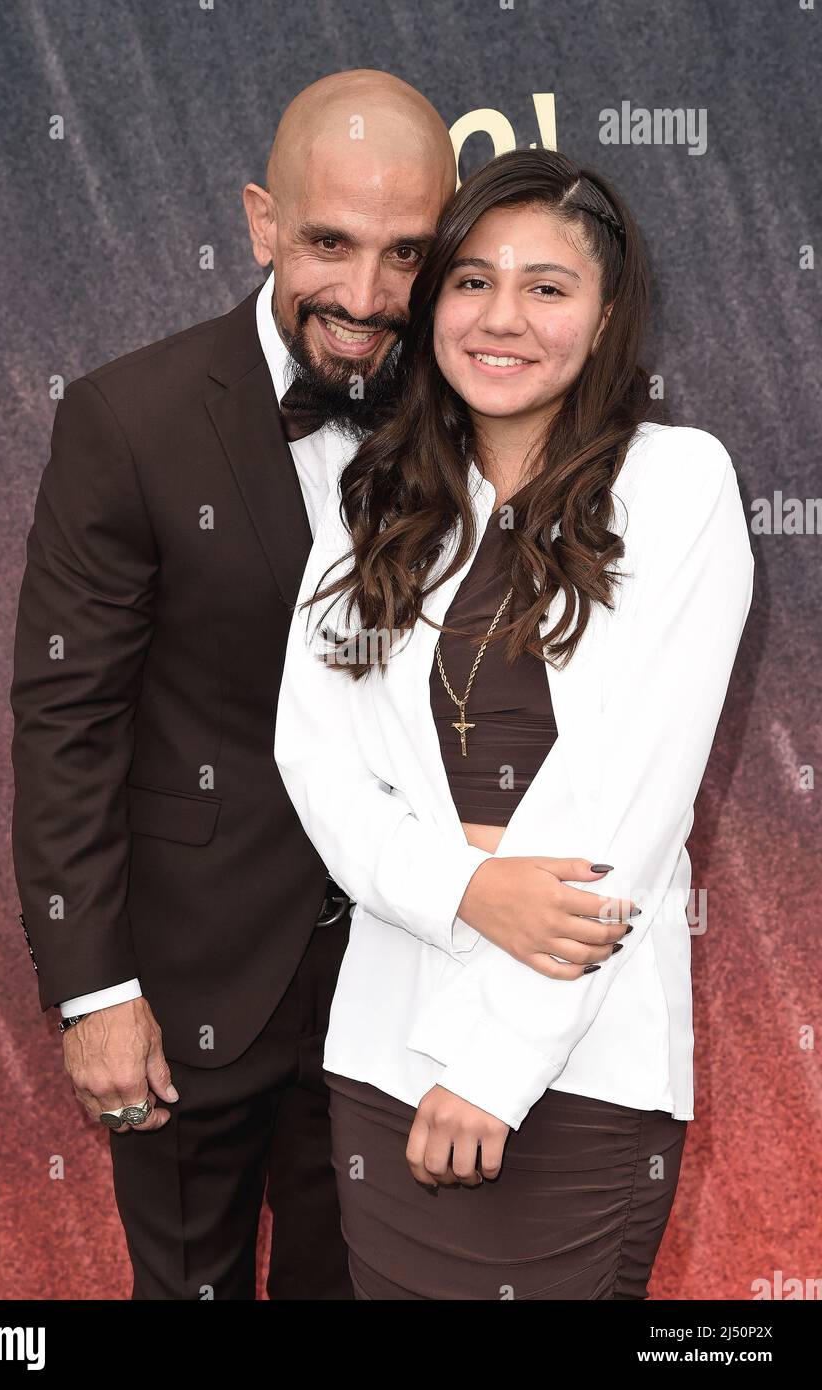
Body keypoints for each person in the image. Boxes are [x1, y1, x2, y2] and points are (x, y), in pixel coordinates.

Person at [9, 67, 465, 1300]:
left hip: (400, 985)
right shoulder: (130, 416)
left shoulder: (475, 407)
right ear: (263, 221)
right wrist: (93, 990)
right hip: (186, 982)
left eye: (406, 254)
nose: (365, 298)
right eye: (328, 242)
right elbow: (69, 720)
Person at [274, 148, 755, 1300]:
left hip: (580, 1057)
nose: (503, 317)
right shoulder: (374, 501)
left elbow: (628, 801)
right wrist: (465, 886)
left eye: (547, 287)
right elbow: (317, 759)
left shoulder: (678, 484)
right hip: (383, 1048)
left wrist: (496, 1066)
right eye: (471, 280)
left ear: (605, 318)